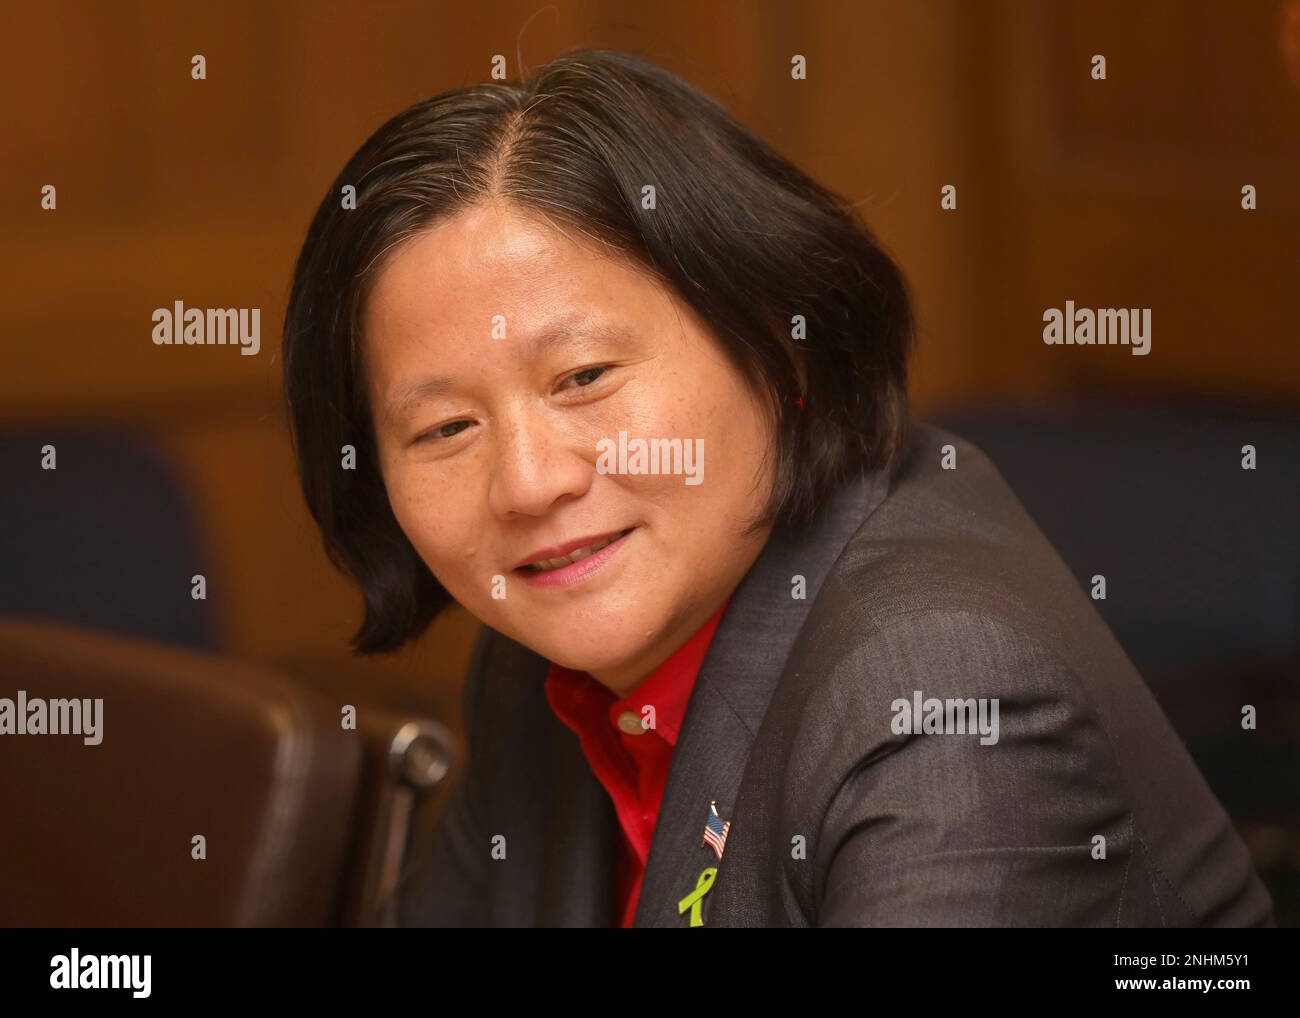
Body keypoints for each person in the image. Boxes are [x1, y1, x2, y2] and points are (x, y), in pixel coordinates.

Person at [281, 48, 1275, 927]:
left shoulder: (946, 702)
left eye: (584, 378)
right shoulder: (542, 654)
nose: (529, 484)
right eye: (445, 428)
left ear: (780, 346)